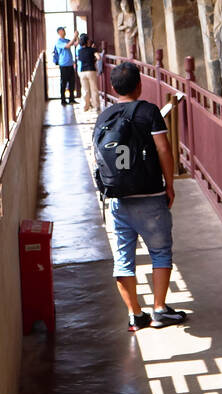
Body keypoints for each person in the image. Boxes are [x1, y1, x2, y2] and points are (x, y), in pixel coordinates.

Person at [95, 62, 187, 331]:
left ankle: (135, 314)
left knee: (124, 257)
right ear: (140, 85)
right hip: (150, 195)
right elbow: (163, 149)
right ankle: (159, 309)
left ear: (113, 88)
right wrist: (169, 185)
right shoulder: (149, 111)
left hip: (119, 198)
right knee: (160, 251)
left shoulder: (105, 116)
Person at [53, 27, 77, 105]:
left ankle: (71, 99)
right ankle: (63, 100)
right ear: (59, 32)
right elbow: (67, 46)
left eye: (64, 30)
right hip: (63, 65)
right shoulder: (59, 42)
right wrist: (74, 37)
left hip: (70, 64)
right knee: (63, 83)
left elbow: (75, 43)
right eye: (63, 30)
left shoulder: (66, 40)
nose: (64, 32)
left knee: (72, 82)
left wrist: (77, 36)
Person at [76, 33, 100, 111]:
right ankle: (96, 106)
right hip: (91, 70)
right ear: (87, 41)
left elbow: (80, 59)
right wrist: (94, 59)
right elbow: (98, 57)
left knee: (85, 89)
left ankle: (85, 107)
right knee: (94, 89)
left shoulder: (79, 51)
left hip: (82, 72)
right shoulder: (92, 50)